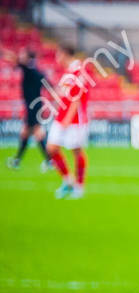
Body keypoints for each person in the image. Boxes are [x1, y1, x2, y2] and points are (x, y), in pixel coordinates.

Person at [46, 47, 90, 199]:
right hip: (61, 117)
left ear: (65, 54)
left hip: (75, 120)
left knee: (76, 151)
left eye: (58, 54)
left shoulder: (78, 71)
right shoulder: (68, 72)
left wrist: (68, 118)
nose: (57, 57)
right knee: (51, 148)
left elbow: (76, 99)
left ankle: (79, 186)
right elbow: (65, 94)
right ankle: (68, 180)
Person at [5, 47, 52, 170]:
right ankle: (18, 160)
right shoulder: (36, 70)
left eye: (23, 54)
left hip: (33, 106)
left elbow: (15, 59)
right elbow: (48, 84)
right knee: (25, 133)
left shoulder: (29, 69)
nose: (21, 56)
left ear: (28, 58)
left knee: (37, 132)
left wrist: (4, 51)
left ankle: (50, 160)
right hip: (34, 105)